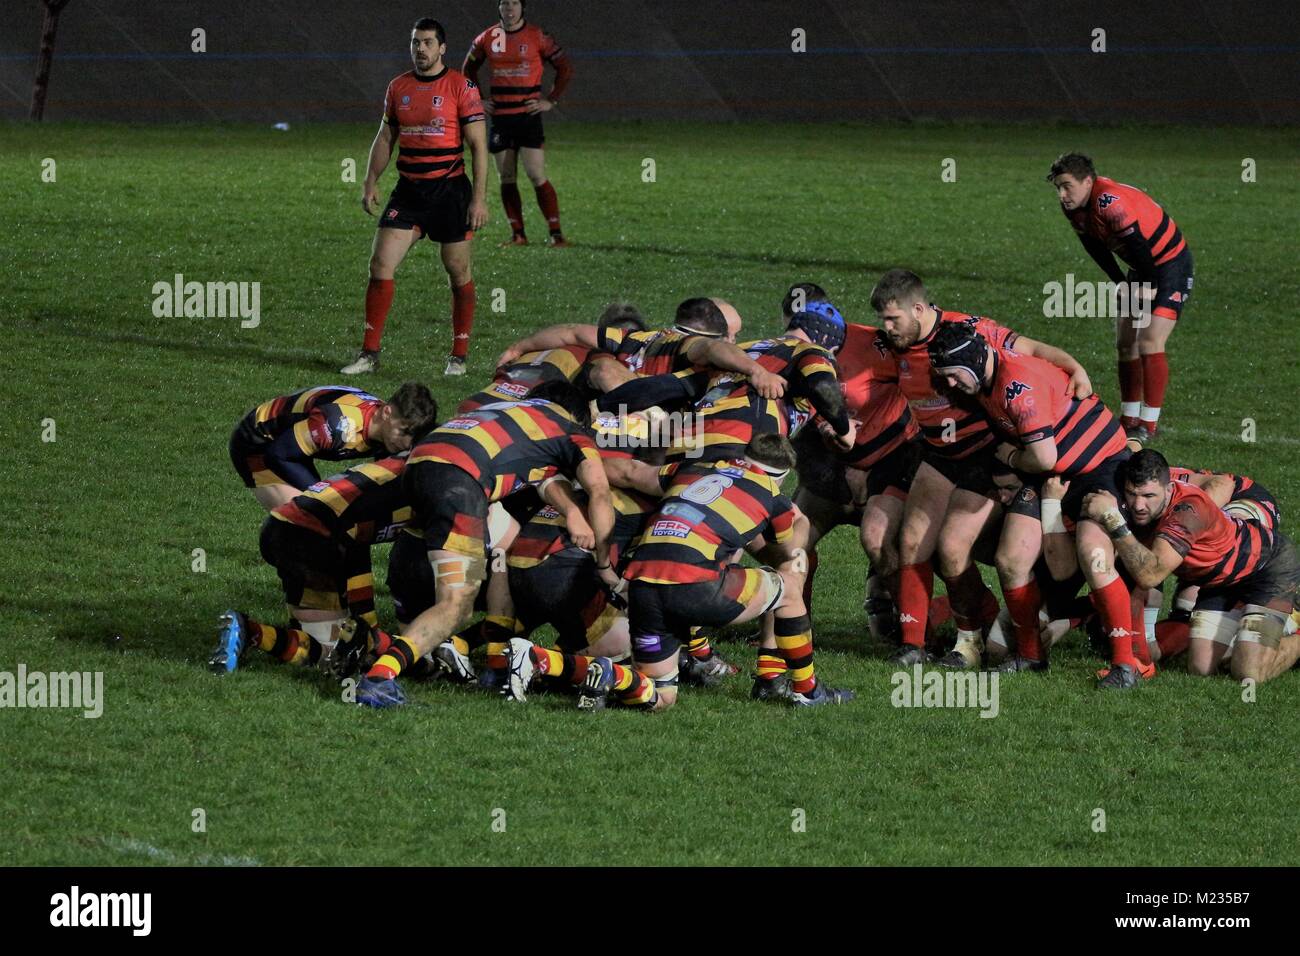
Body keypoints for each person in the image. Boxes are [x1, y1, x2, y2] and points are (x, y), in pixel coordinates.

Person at [870, 268, 1091, 666]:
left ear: (919, 309)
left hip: (987, 454)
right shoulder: (891, 344)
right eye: (881, 320)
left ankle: (981, 637)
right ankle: (915, 645)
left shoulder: (968, 331)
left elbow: (1032, 350)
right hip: (939, 454)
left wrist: (1075, 368)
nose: (885, 328)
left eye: (892, 319)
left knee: (953, 550)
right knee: (911, 541)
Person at [355, 382, 619, 708]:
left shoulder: (507, 412)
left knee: (503, 543)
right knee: (458, 604)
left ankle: (491, 658)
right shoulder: (572, 432)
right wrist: (605, 564)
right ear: (578, 416)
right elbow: (601, 493)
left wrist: (571, 512)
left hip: (418, 462)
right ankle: (380, 677)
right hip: (460, 482)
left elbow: (544, 476)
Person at [926, 320, 1129, 670]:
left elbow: (1043, 456)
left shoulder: (1015, 385)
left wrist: (1008, 457)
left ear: (973, 360)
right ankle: (1031, 655)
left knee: (1094, 556)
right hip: (1050, 475)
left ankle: (1127, 664)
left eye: (953, 374)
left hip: (1098, 469)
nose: (948, 384)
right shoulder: (982, 378)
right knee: (1010, 560)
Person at [342, 17, 489, 378]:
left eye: (427, 43)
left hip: (450, 191)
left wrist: (479, 199)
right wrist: (370, 181)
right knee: (380, 265)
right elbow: (386, 138)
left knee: (457, 270)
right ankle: (369, 354)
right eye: (415, 43)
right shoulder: (398, 87)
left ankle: (458, 355)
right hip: (408, 191)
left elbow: (479, 147)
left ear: (442, 48)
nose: (420, 49)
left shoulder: (462, 86)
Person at [1080, 450, 1300, 688]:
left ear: (1168, 489)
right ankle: (1253, 632)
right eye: (1132, 494)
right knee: (1200, 667)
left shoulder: (1188, 511)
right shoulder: (1150, 506)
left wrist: (1112, 519)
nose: (1138, 505)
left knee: (1248, 673)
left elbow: (1149, 575)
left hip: (1268, 569)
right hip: (1219, 583)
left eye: (1148, 496)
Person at [210, 455, 416, 673]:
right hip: (309, 541)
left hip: (285, 527)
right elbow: (356, 544)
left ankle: (250, 632)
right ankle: (251, 631)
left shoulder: (401, 468)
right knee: (336, 653)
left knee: (325, 643)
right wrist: (367, 622)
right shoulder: (419, 484)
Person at [1048, 152, 1193, 440]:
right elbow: (1095, 247)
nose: (1062, 195)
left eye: (1067, 186)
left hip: (1169, 264)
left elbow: (1138, 244)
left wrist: (1150, 285)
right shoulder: (1075, 207)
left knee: (1150, 340)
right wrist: (1120, 281)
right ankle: (1128, 418)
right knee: (1126, 343)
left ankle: (1148, 425)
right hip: (1141, 265)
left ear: (1088, 181)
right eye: (1058, 188)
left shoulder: (1110, 202)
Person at [464, 0, 574, 246]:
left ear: (522, 8)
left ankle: (556, 234)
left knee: (536, 174)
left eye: (514, 3)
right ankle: (518, 235)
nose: (509, 8)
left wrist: (551, 100)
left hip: (528, 117)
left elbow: (564, 67)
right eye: (504, 3)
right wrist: (478, 99)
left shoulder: (538, 36)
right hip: (501, 118)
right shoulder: (487, 37)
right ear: (499, 7)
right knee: (507, 176)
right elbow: (468, 69)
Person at [229, 383, 436, 510]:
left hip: (292, 442)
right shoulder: (338, 425)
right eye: (403, 432)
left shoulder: (384, 428)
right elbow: (279, 455)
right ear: (387, 413)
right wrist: (326, 496)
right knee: (307, 519)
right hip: (259, 443)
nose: (406, 443)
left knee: (332, 516)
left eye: (412, 436)